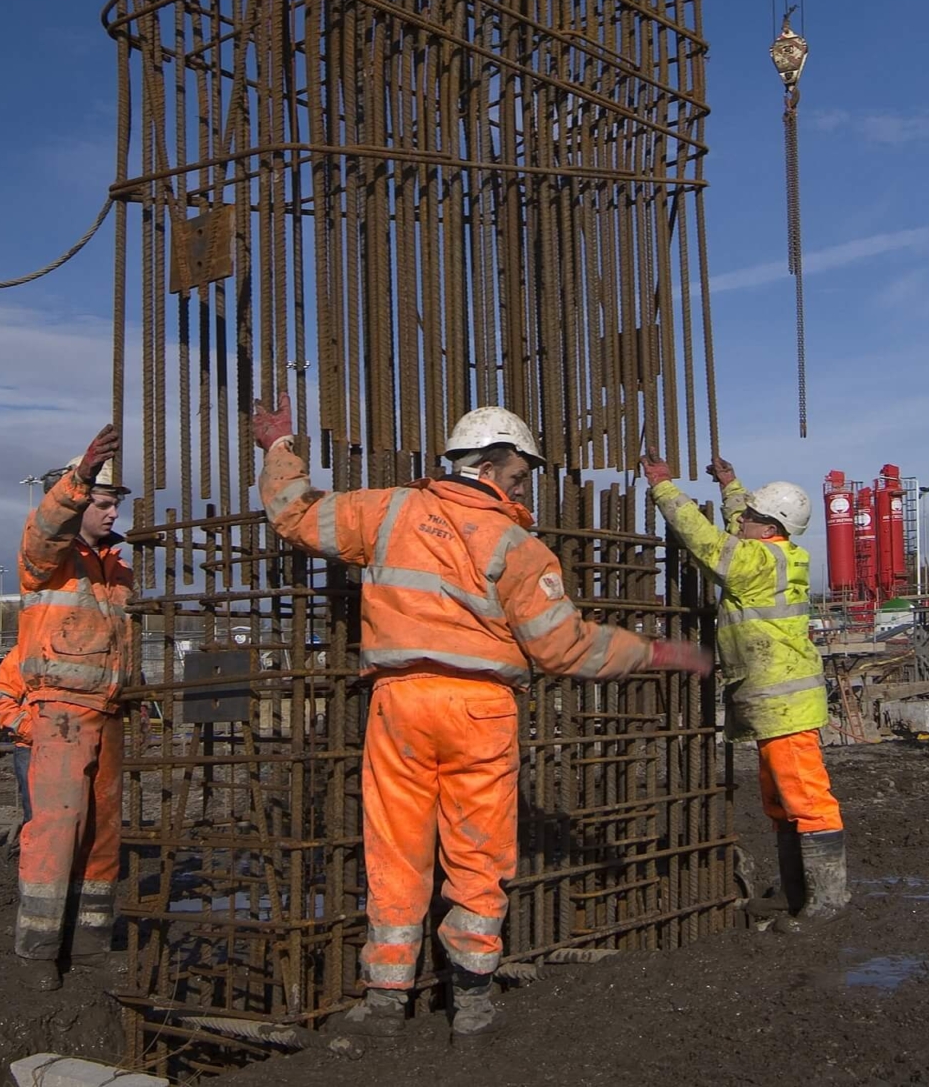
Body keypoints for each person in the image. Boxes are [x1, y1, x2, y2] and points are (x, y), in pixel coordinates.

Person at [252, 395, 712, 1040]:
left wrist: (277, 446)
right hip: (480, 709)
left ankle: (386, 997)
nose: (525, 489)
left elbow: (294, 515)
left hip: (400, 702)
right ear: (497, 470)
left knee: (395, 850)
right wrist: (655, 650)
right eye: (521, 477)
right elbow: (563, 647)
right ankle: (471, 995)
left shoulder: (385, 511)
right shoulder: (519, 548)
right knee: (478, 850)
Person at [638, 451, 847, 921]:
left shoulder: (757, 562)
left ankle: (828, 904)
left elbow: (708, 543)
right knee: (781, 804)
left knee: (808, 802)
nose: (741, 520)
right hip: (776, 707)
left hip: (786, 707)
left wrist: (664, 487)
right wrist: (731, 485)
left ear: (769, 525)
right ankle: (800, 897)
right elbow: (737, 523)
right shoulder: (773, 552)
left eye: (750, 515)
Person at [13, 424, 133, 989]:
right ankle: (38, 950)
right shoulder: (49, 559)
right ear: (82, 501)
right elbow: (44, 531)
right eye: (104, 503)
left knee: (103, 832)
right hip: (60, 709)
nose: (111, 513)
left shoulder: (117, 567)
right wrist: (79, 479)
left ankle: (89, 939)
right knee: (59, 826)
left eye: (114, 503)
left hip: (107, 710)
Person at [0, 644, 33, 824]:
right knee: (36, 813)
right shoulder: (22, 653)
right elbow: (3, 701)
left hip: (76, 747)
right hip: (32, 747)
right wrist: (31, 731)